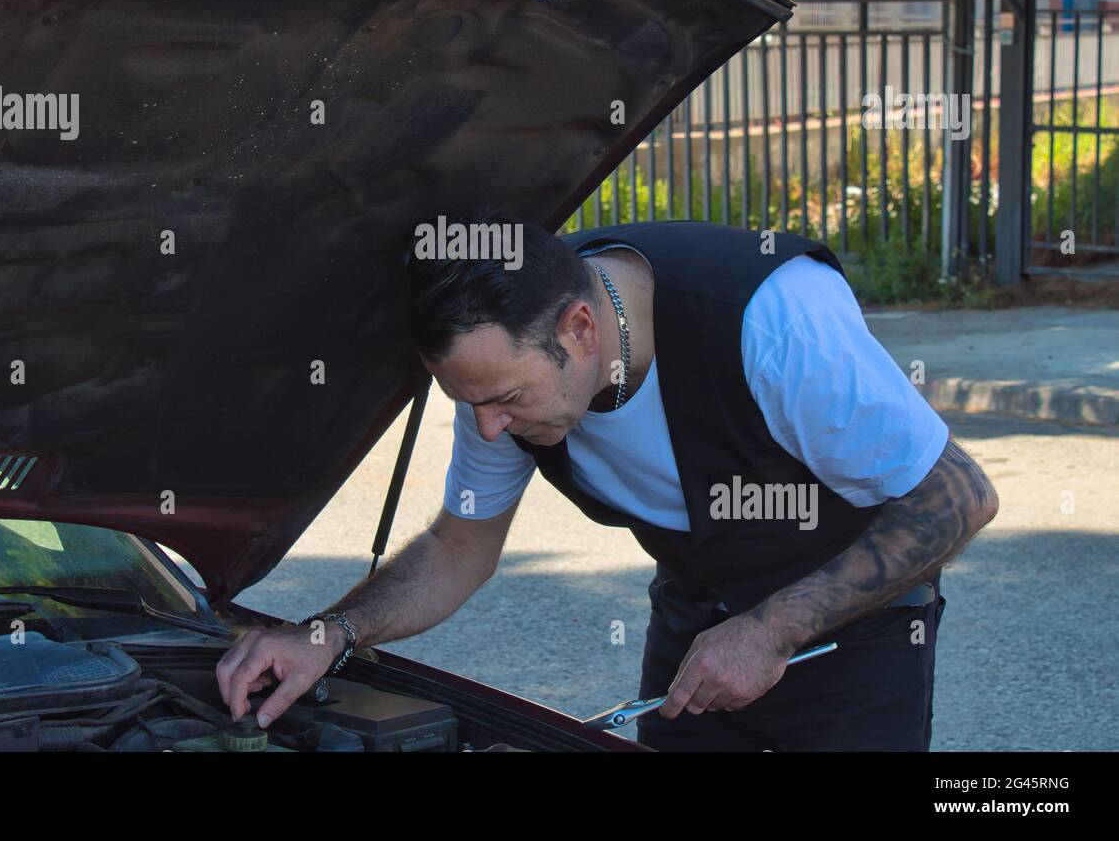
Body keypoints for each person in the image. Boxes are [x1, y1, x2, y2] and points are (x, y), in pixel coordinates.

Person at [216, 216, 998, 750]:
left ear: (582, 331)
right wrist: (324, 634)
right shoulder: (503, 365)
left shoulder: (773, 317)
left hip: (850, 634)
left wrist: (771, 628)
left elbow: (957, 493)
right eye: (470, 403)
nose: (489, 427)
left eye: (505, 400)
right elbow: (459, 546)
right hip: (698, 622)